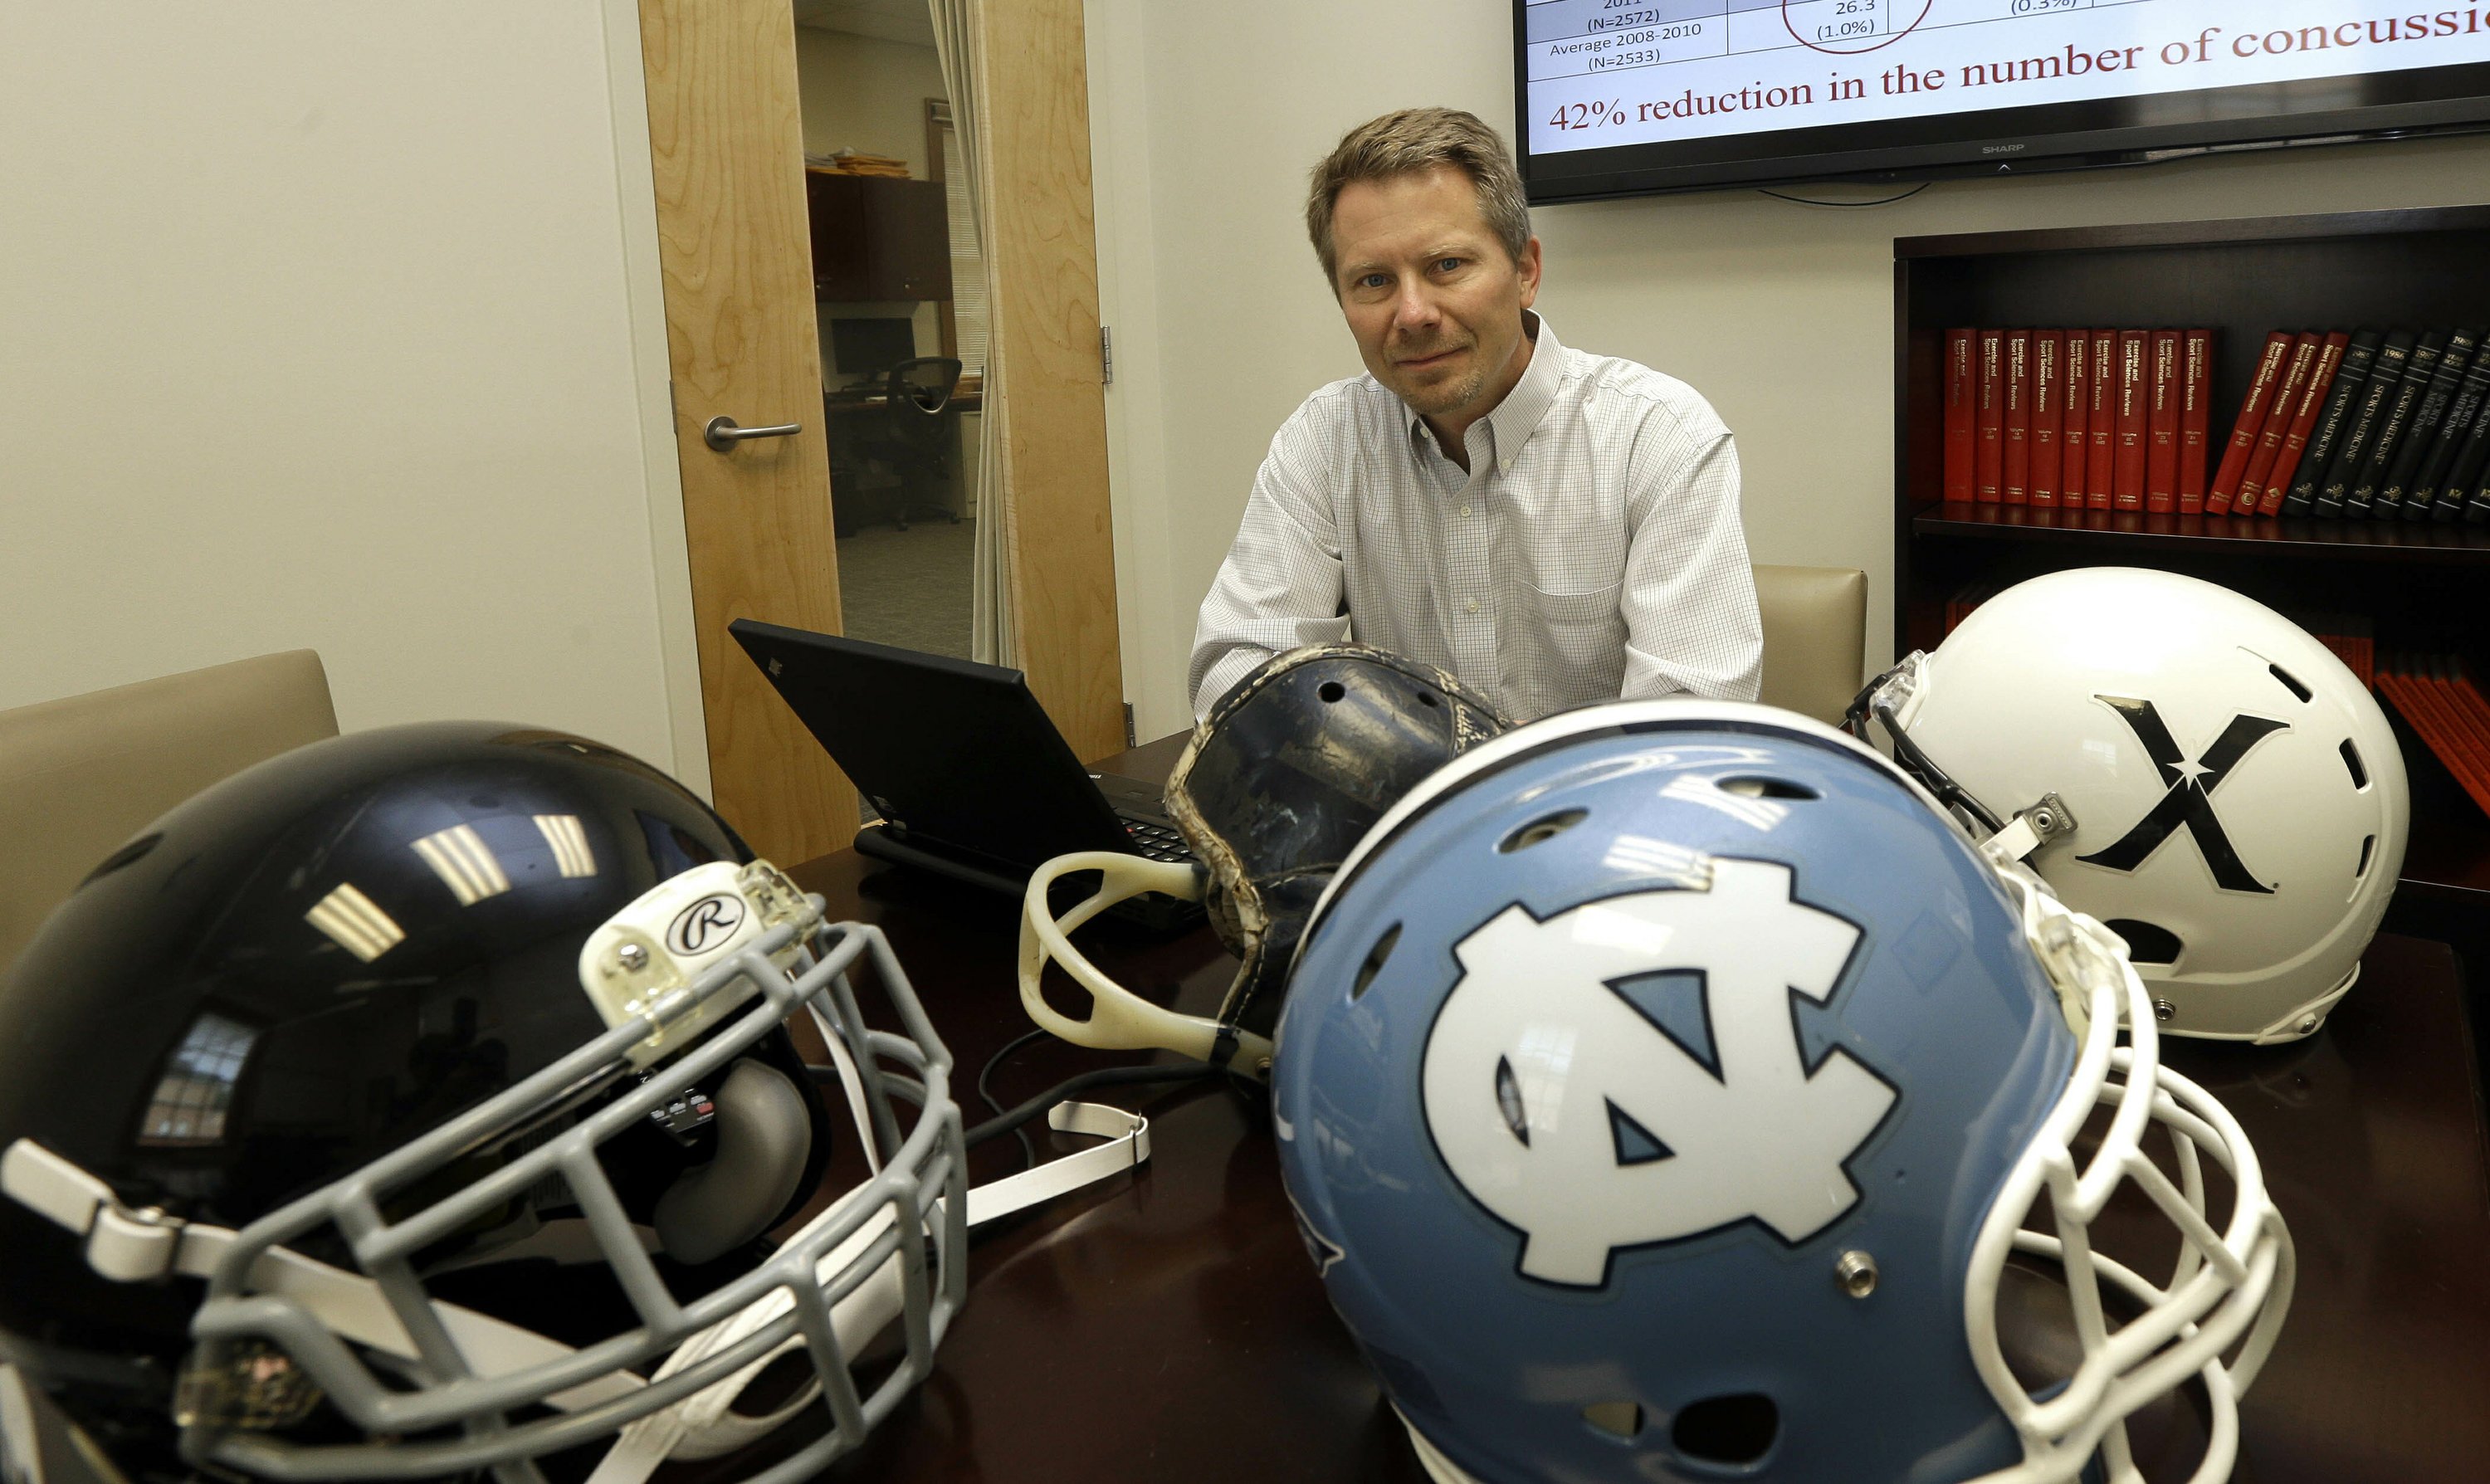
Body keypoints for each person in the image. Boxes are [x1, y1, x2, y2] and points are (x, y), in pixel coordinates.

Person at [1188, 106, 1762, 722]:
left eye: (1447, 266)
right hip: (1398, 806)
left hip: (1592, 812)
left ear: (1525, 271)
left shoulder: (1656, 435)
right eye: (1374, 281)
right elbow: (1239, 668)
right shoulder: (1325, 440)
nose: (1412, 314)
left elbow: (1688, 720)